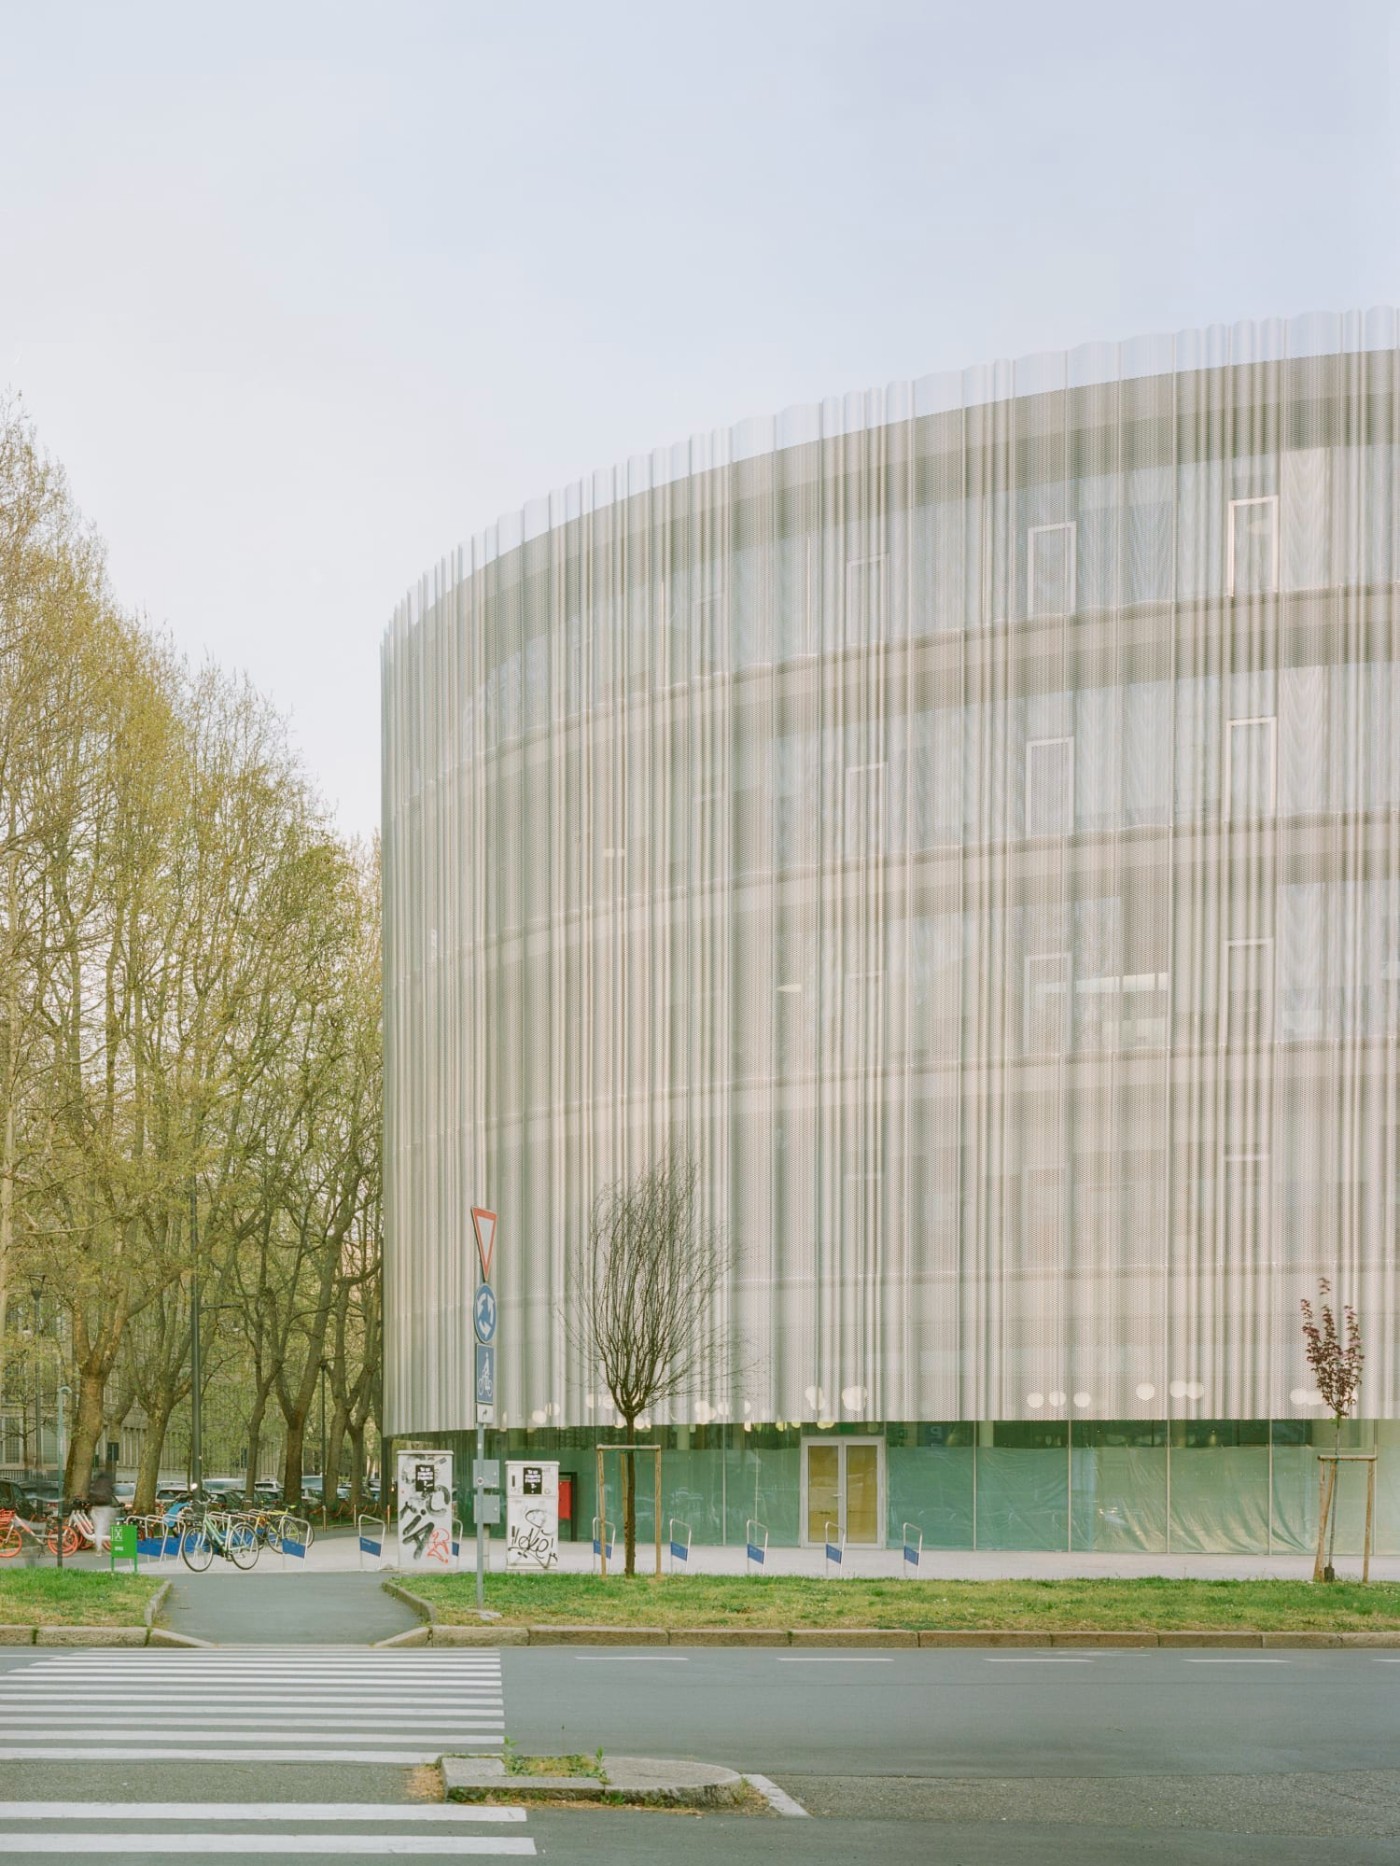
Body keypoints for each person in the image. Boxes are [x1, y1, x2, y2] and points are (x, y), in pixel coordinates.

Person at [87, 1465, 117, 1554]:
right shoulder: (108, 1482)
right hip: (106, 1507)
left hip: (97, 1507)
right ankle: (105, 1545)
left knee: (98, 1528)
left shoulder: (96, 1482)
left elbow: (91, 1493)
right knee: (106, 1526)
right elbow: (112, 1491)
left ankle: (99, 1546)